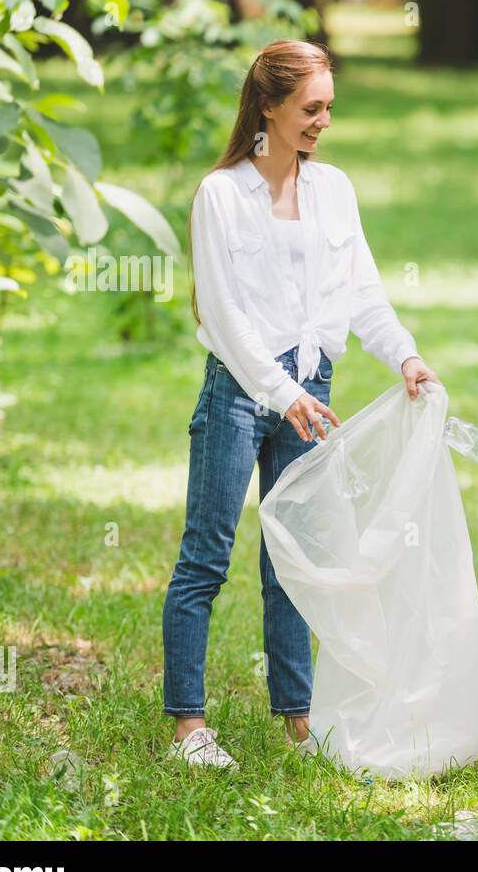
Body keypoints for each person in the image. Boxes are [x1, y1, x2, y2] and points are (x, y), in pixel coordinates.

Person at [161, 40, 440, 768]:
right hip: (240, 393)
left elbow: (363, 294)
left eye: (328, 109)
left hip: (310, 394)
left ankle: (298, 719)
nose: (322, 121)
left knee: (293, 560)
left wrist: (405, 354)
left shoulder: (333, 191)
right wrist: (280, 396)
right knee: (206, 556)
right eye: (311, 108)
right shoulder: (222, 194)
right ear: (269, 107)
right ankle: (189, 726)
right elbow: (223, 316)